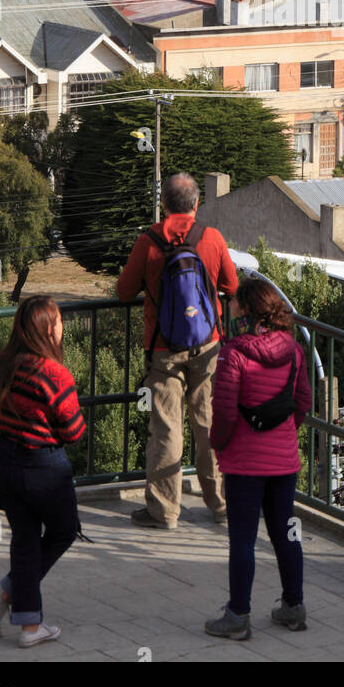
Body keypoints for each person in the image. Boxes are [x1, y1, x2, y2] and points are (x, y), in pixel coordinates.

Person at [116, 172, 239, 530]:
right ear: (196, 204)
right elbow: (231, 285)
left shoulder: (148, 241)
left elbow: (124, 291)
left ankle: (165, 512)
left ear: (163, 205)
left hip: (163, 349)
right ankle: (221, 506)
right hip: (208, 346)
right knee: (209, 424)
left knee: (168, 430)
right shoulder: (212, 238)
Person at [0, 295, 86, 648]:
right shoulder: (54, 374)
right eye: (59, 320)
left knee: (24, 541)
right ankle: (8, 594)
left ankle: (29, 626)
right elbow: (74, 432)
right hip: (45, 469)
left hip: (6, 465)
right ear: (48, 329)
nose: (63, 326)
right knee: (65, 531)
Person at [205, 274, 312, 641]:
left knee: (243, 540)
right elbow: (303, 405)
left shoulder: (233, 353)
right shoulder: (294, 350)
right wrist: (282, 433)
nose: (229, 307)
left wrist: (218, 444)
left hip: (244, 464)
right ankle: (293, 607)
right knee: (287, 534)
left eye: (234, 303)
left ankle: (238, 615)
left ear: (247, 310)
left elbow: (224, 412)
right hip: (284, 462)